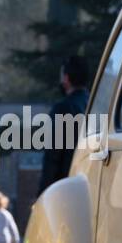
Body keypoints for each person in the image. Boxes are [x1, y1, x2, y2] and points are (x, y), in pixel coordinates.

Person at [39, 54, 91, 194]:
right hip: (92, 184)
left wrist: (43, 192)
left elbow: (53, 156)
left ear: (66, 79)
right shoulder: (98, 107)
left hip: (66, 188)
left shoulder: (64, 108)